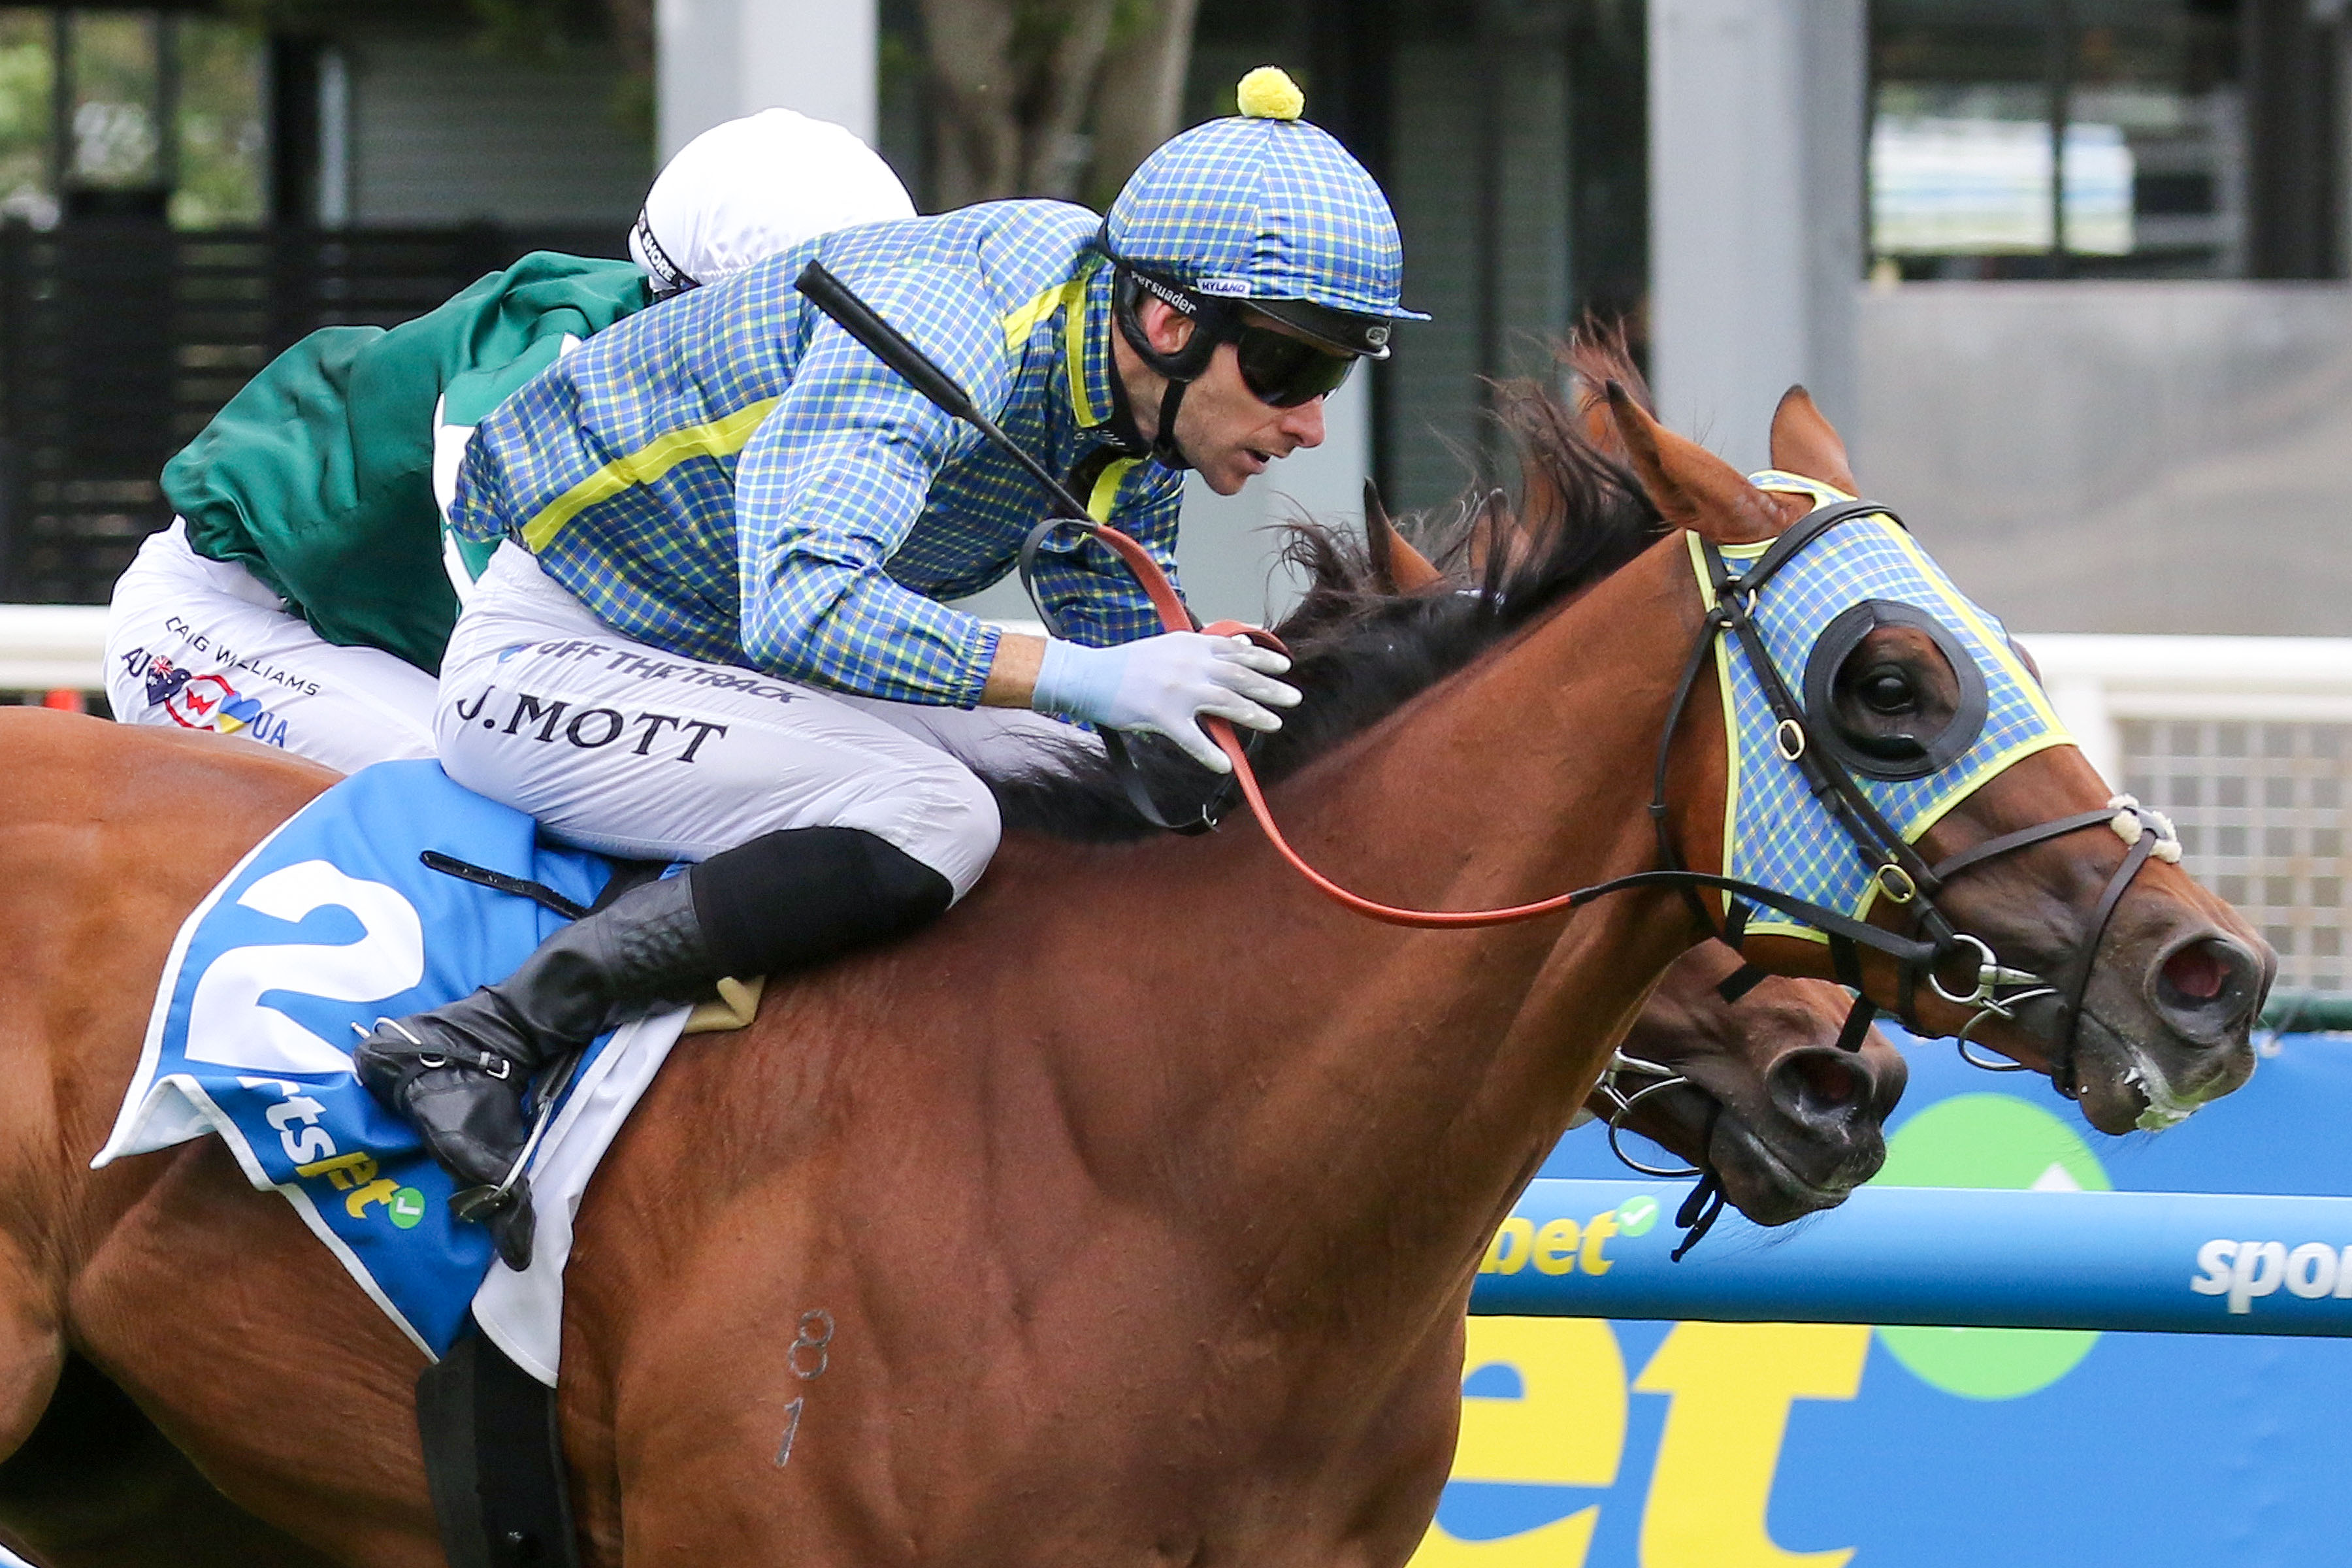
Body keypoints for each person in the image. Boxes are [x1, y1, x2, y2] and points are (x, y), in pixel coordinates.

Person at [353, 68, 1425, 1260]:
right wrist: (1097, 683)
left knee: (1079, 778)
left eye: (1334, 376)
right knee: (936, 815)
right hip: (558, 654)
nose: (1313, 424)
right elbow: (806, 607)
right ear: (1173, 323)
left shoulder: (1129, 394)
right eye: (1292, 372)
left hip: (725, 657)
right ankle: (483, 1035)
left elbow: (1137, 721)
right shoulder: (949, 320)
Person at [102, 109, 916, 775]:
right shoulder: (556, 381)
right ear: (716, 310)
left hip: (383, 635)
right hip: (229, 624)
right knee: (493, 772)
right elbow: (512, 662)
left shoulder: (707, 356)